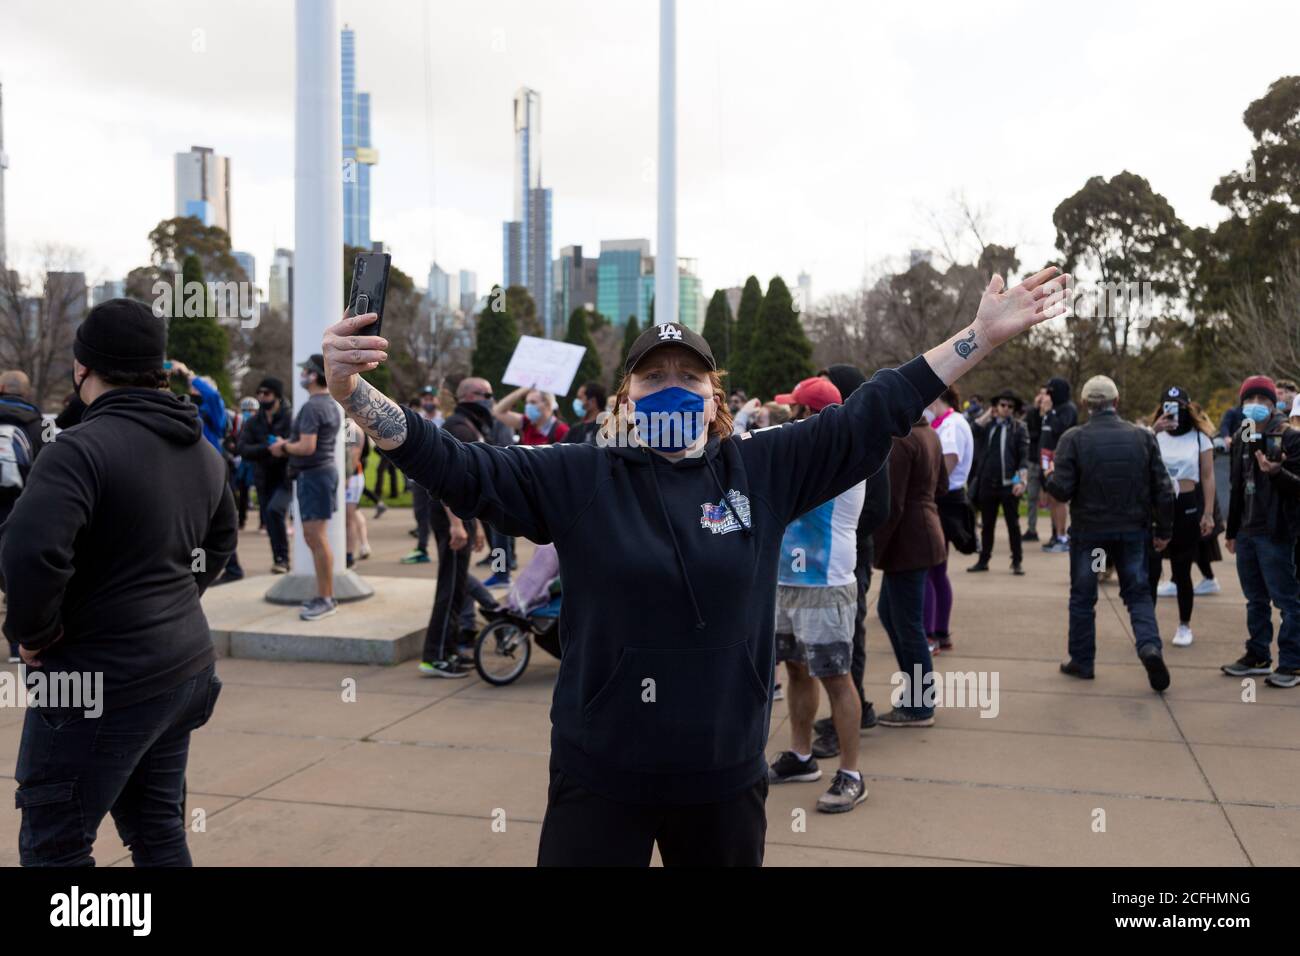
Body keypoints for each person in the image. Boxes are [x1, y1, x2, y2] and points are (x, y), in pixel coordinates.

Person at [325, 266, 1069, 866]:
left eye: (690, 373)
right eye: (653, 376)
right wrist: (354, 395)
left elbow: (872, 410)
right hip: (598, 776)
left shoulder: (763, 468)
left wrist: (977, 337)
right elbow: (456, 464)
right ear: (626, 396)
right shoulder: (581, 476)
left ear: (717, 394)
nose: (672, 385)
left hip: (720, 781)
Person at [1, 298, 233, 866]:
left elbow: (28, 550)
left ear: (82, 368)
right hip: (182, 668)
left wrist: (34, 635)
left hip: (102, 680)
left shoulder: (77, 450)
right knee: (157, 830)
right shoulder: (201, 450)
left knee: (54, 846)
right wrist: (172, 600)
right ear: (157, 368)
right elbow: (220, 544)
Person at [764, 377, 867, 812]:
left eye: (794, 410)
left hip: (825, 586)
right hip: (785, 581)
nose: (787, 417)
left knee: (836, 678)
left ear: (809, 415)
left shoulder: (841, 456)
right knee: (795, 670)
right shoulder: (799, 447)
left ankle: (851, 773)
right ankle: (802, 757)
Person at [1044, 375, 1174, 692]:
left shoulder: (1073, 439)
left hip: (1091, 534)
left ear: (1087, 405)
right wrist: (1164, 529)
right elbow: (1163, 488)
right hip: (1132, 531)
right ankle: (1149, 647)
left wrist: (1049, 477)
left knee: (1083, 597)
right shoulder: (1142, 438)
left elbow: (1061, 491)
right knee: (1138, 594)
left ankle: (1082, 661)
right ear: (1116, 403)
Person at [809, 363, 889, 758]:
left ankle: (846, 724)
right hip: (831, 555)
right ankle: (859, 709)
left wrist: (842, 533)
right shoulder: (837, 436)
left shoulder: (868, 441)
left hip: (851, 555)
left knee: (848, 638)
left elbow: (879, 506)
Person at [1221, 375, 1300, 687]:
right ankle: (1257, 655)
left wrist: (1278, 473)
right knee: (1254, 597)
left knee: (1286, 599)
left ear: (1273, 403)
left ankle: (1292, 663)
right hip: (1247, 530)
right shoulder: (1244, 434)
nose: (1254, 406)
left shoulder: (1290, 437)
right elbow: (1237, 485)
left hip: (1277, 529)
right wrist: (1232, 529)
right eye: (1248, 401)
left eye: (1261, 400)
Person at [873, 407, 948, 727]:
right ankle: (916, 695)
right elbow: (943, 485)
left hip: (909, 542)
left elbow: (893, 503)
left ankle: (920, 704)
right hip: (924, 532)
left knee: (907, 623)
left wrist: (874, 549)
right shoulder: (929, 434)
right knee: (891, 614)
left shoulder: (902, 440)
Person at [419, 381, 495, 677]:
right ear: (470, 397)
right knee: (450, 588)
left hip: (459, 517)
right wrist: (456, 524)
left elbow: (467, 485)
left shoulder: (467, 424)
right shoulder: (459, 427)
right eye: (487, 396)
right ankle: (435, 656)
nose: (491, 401)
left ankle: (448, 650)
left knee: (458, 584)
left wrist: (472, 524)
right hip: (450, 518)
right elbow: (446, 480)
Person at [271, 354, 342, 621]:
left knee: (316, 537)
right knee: (314, 538)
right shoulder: (328, 403)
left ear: (313, 375)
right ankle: (324, 595)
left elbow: (307, 446)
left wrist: (283, 447)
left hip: (314, 476)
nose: (301, 376)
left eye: (305, 372)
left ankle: (326, 598)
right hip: (318, 475)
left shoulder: (313, 407)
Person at [1148, 386, 1216, 648]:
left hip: (1187, 505)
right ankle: (1148, 627)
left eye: (1177, 406)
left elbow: (1208, 477)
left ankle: (1184, 625)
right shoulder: (1153, 436)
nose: (1172, 411)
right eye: (1167, 405)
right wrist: (1155, 430)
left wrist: (1208, 513)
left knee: (1182, 568)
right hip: (1157, 507)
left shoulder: (1200, 438)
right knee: (1152, 570)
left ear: (1187, 408)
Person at [171, 360, 245, 583]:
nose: (193, 390)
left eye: (197, 387)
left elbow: (212, 396)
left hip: (208, 470)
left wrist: (189, 373)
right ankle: (203, 570)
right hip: (192, 469)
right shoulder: (190, 410)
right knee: (199, 526)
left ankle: (229, 569)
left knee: (212, 524)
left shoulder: (214, 409)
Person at [0, 370, 47, 663]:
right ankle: (18, 644)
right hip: (21, 515)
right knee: (17, 581)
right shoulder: (41, 426)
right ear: (27, 393)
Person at [923, 386, 974, 654]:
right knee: (937, 571)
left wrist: (927, 484)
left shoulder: (951, 426)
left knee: (932, 571)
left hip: (945, 501)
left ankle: (932, 634)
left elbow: (948, 462)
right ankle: (939, 632)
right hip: (949, 499)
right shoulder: (951, 422)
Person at [968, 390, 1029, 575]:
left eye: (1010, 406)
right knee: (987, 525)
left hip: (1009, 484)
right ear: (996, 407)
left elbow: (1023, 458)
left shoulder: (1019, 428)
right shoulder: (988, 426)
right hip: (987, 482)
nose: (1006, 409)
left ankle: (1017, 561)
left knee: (1013, 525)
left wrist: (1021, 481)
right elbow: (972, 430)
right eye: (1002, 405)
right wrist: (988, 414)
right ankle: (983, 559)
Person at [237, 377, 294, 573]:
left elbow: (298, 442)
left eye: (266, 393)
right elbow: (243, 448)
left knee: (275, 510)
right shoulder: (254, 421)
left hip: (286, 476)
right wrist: (269, 448)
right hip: (263, 477)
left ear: (276, 396)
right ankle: (279, 559)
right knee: (270, 519)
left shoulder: (290, 418)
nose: (261, 397)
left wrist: (284, 447)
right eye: (259, 393)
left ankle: (283, 558)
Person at [402, 386, 444, 565]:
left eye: (431, 398)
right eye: (425, 399)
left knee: (441, 515)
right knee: (420, 513)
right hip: (419, 475)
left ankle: (447, 550)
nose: (428, 402)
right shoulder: (416, 419)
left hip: (439, 475)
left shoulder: (444, 421)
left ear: (437, 400)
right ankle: (422, 548)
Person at [1038, 376, 1077, 553]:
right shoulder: (1049, 410)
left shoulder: (1067, 409)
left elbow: (1061, 429)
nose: (1047, 395)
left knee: (1059, 499)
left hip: (1060, 458)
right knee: (1052, 499)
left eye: (1050, 392)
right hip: (1046, 457)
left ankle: (1063, 536)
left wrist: (1049, 413)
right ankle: (1055, 534)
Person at [343, 418, 371, 567]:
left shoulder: (349, 426)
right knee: (351, 515)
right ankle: (361, 546)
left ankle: (349, 556)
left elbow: (354, 453)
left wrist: (346, 476)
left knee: (349, 517)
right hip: (342, 477)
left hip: (351, 478)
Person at [231, 397, 259, 528]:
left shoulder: (259, 422)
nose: (248, 412)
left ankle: (263, 522)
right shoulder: (238, 422)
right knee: (243, 491)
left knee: (260, 491)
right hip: (244, 460)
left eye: (251, 410)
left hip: (256, 460)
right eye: (246, 410)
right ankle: (241, 520)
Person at [1023, 387, 1046, 541]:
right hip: (1033, 459)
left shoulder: (1054, 413)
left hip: (1048, 460)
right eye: (1041, 394)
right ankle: (1032, 529)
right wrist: (1035, 409)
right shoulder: (1032, 413)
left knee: (1054, 498)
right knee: (1032, 496)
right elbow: (1027, 430)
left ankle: (1059, 532)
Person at [563, 381, 607, 446]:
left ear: (592, 401)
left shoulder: (605, 428)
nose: (576, 401)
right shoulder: (576, 428)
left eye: (580, 398)